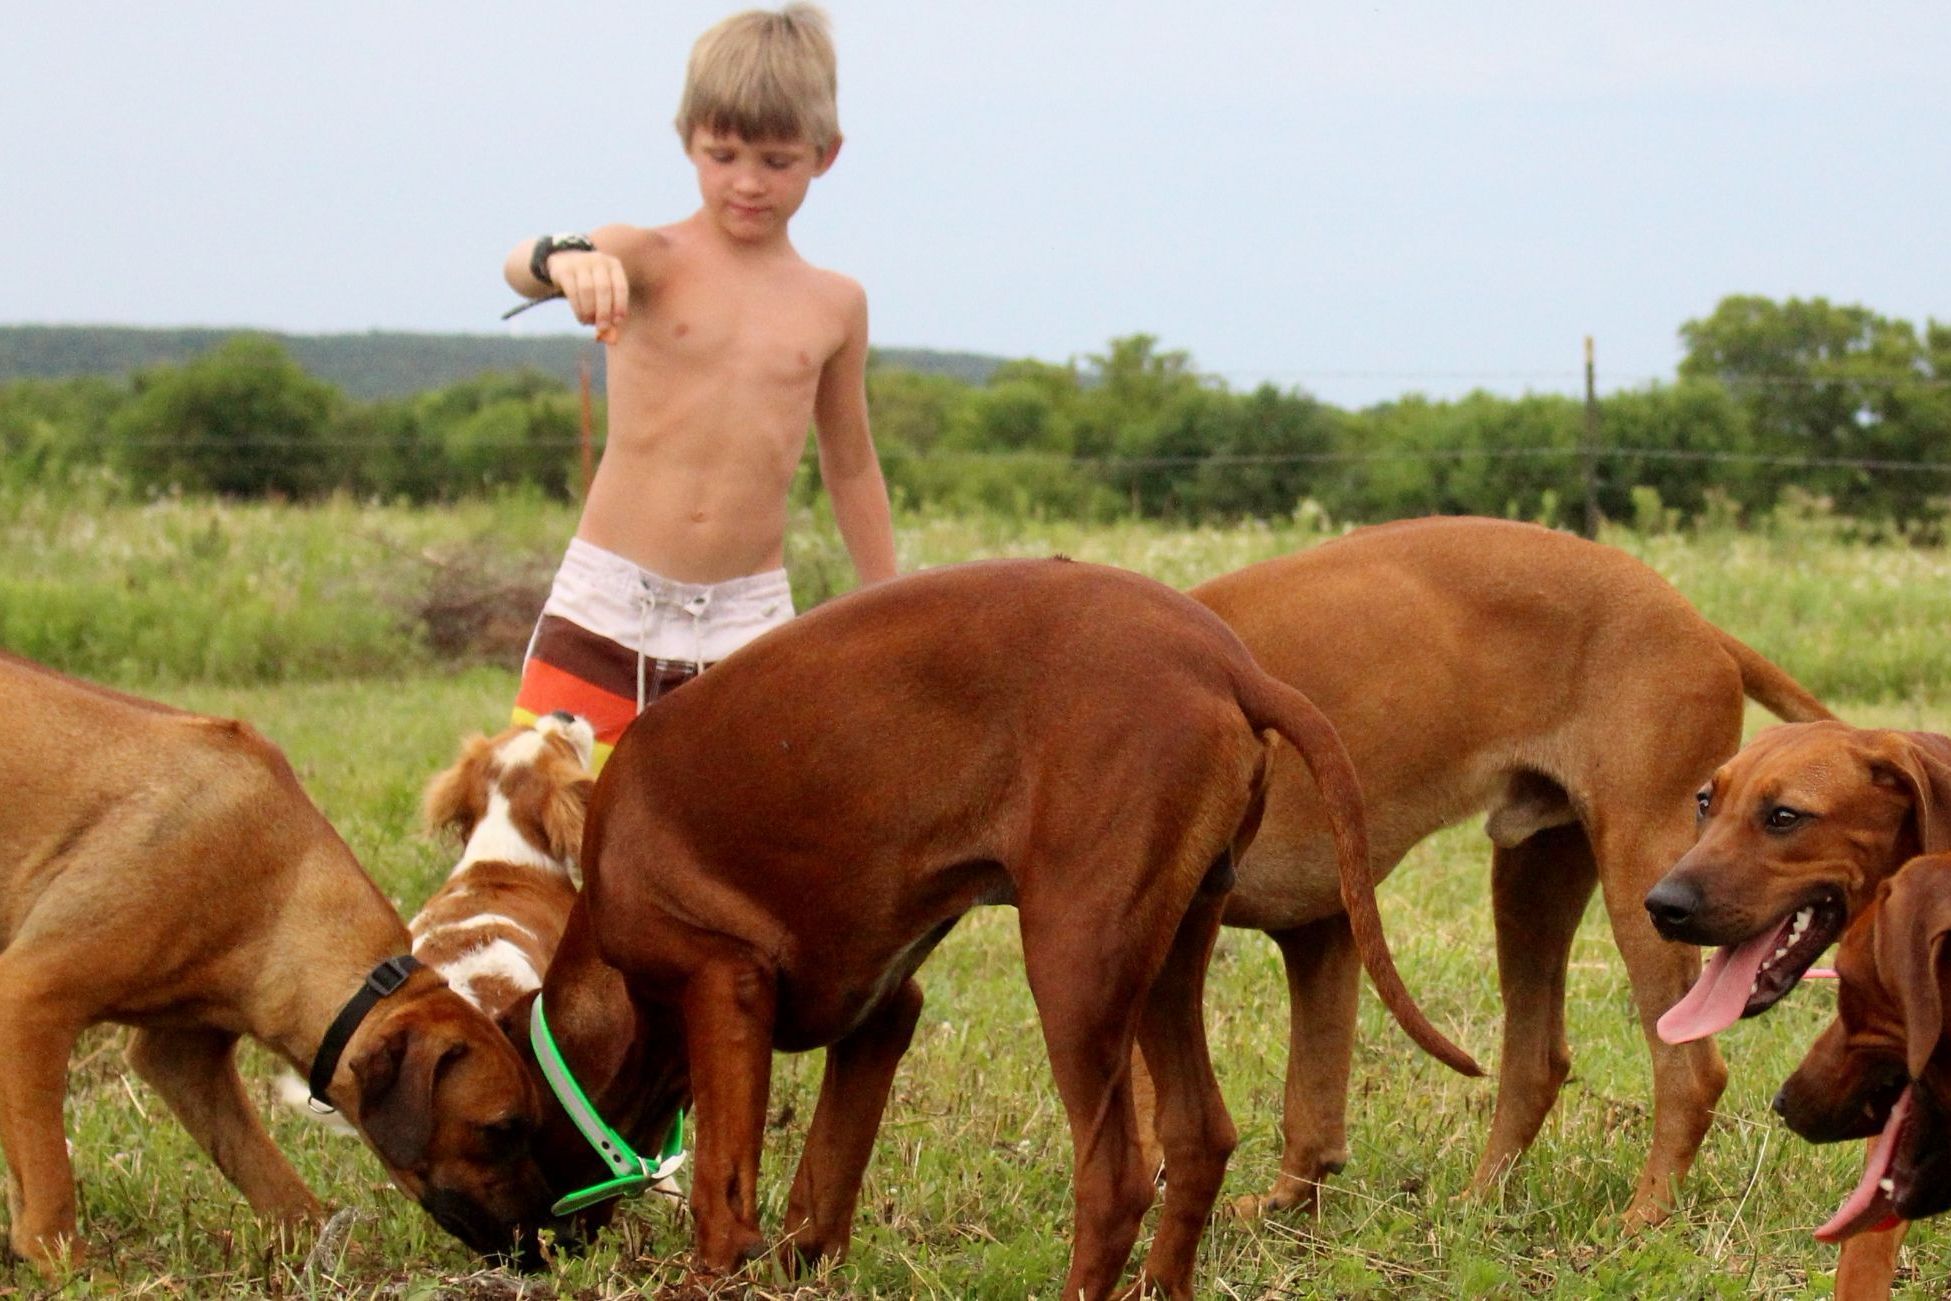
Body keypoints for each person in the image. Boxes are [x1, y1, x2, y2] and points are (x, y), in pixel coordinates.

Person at [503, 2, 896, 772]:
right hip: (606, 602)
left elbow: (850, 465)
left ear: (826, 154)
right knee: (542, 808)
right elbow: (522, 264)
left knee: (741, 836)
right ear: (687, 140)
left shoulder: (835, 302)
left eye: (777, 161)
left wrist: (895, 606)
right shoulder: (645, 256)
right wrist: (561, 258)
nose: (747, 182)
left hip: (747, 623)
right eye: (723, 155)